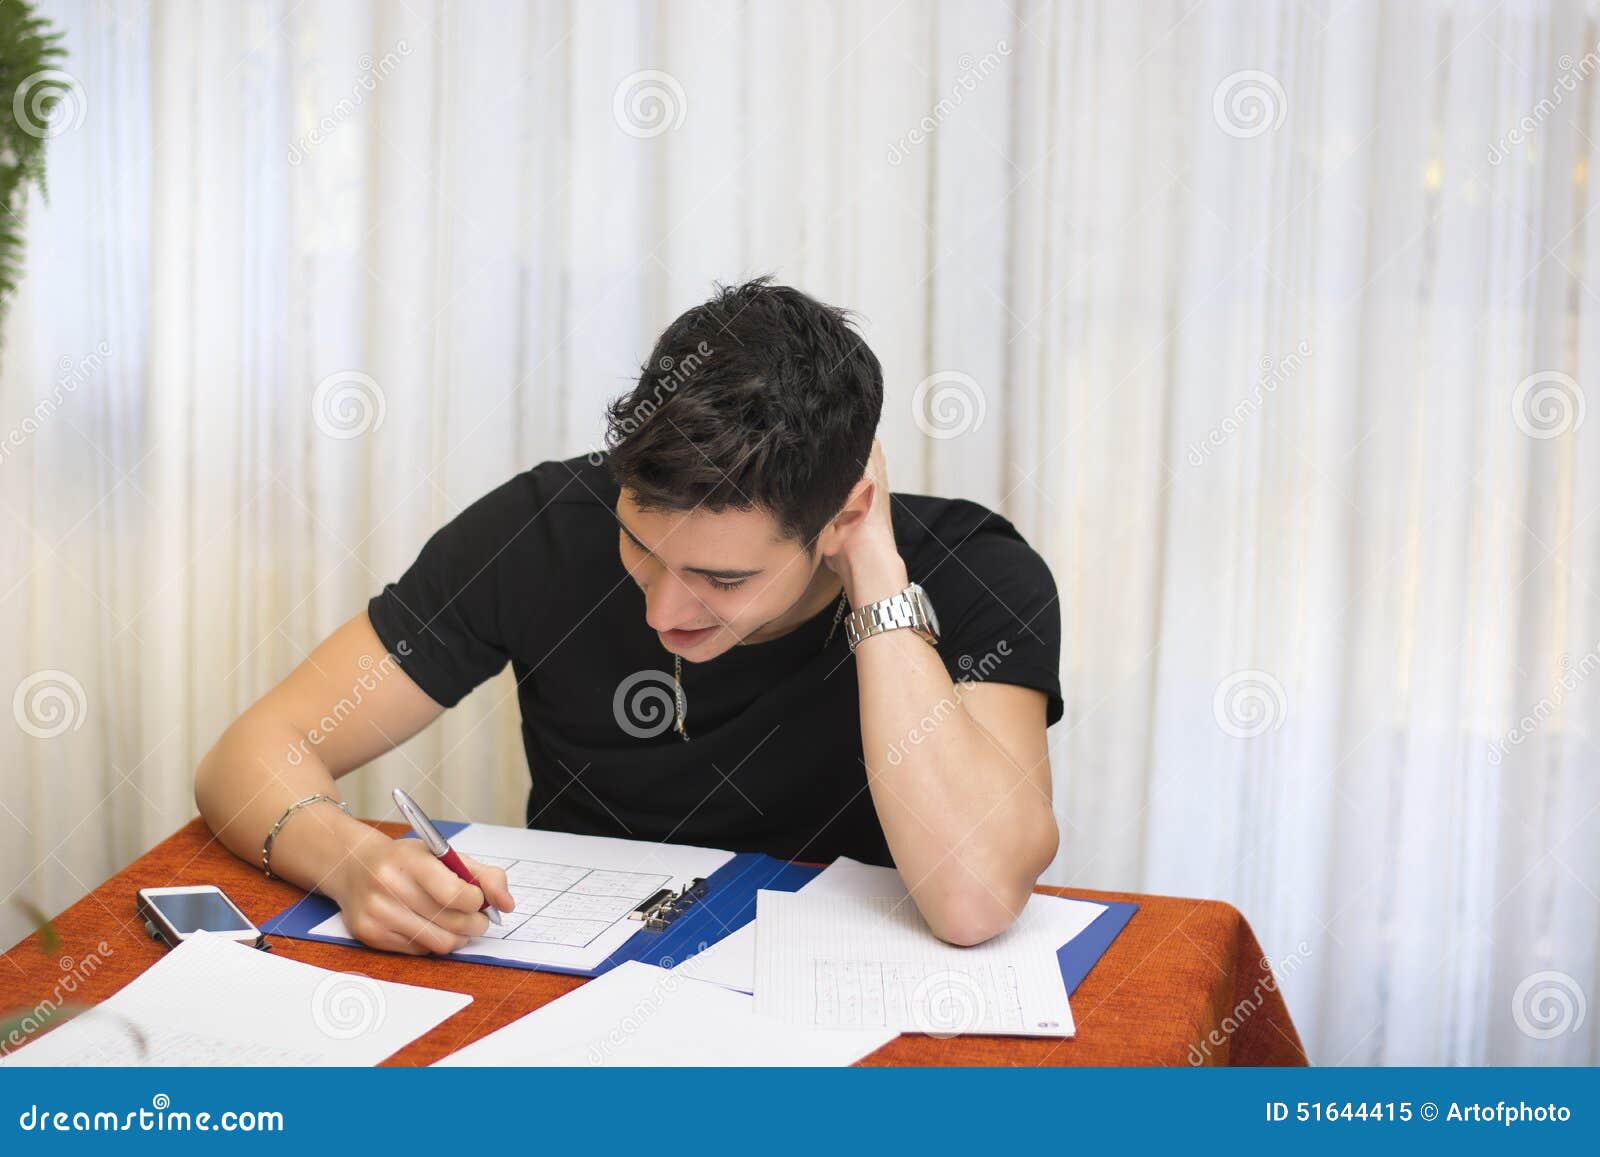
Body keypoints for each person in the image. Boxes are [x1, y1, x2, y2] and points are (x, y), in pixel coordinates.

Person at [195, 278, 1063, 955]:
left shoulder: (977, 572)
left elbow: (973, 897)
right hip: (578, 1008)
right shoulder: (539, 530)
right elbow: (248, 754)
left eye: (721, 579)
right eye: (640, 547)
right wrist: (348, 860)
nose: (663, 609)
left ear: (842, 514)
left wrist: (873, 564)